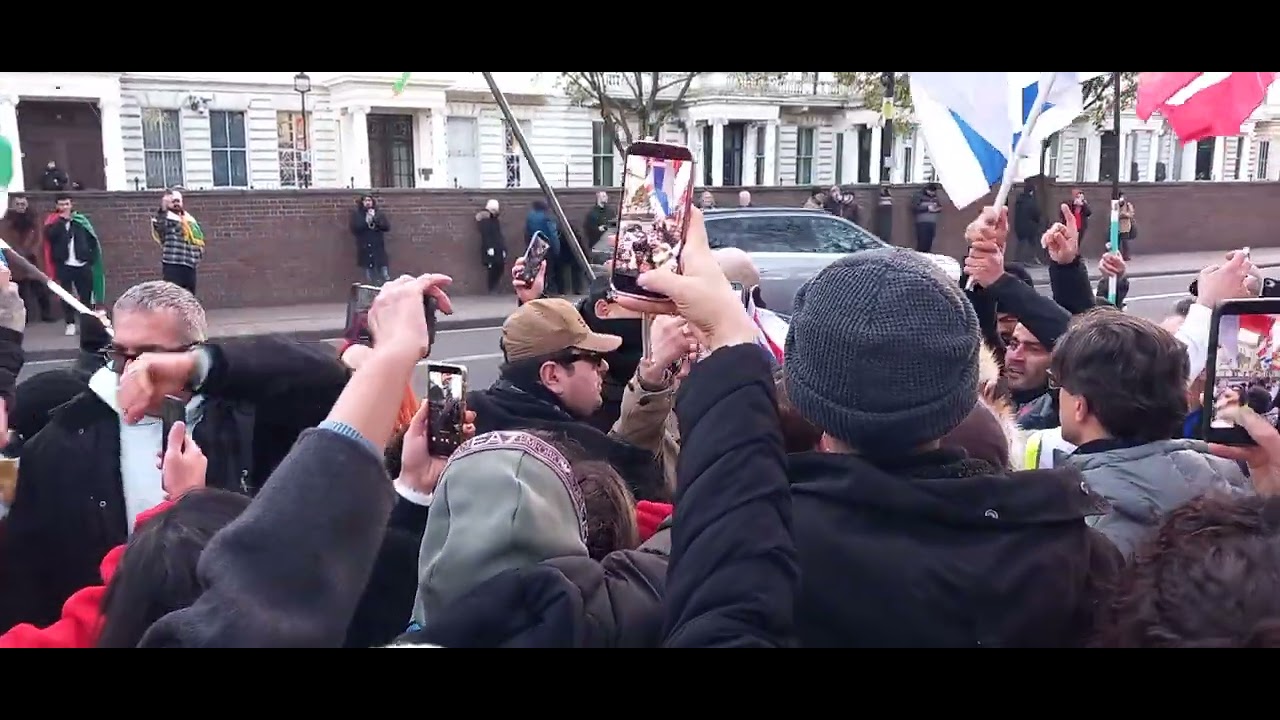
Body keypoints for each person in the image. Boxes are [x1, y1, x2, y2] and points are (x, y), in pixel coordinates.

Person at [42, 195, 101, 336]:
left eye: (67, 204)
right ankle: (70, 323)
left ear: (71, 205)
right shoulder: (53, 223)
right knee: (66, 295)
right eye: (61, 205)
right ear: (57, 206)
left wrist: (90, 257)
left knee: (85, 295)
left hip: (82, 263)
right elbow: (49, 237)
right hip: (64, 264)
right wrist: (62, 222)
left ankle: (86, 323)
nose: (64, 207)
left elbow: (92, 239)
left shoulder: (80, 221)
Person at [150, 190, 204, 294]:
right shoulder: (166, 219)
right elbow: (160, 226)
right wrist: (163, 208)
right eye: (173, 201)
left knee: (189, 298)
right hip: (173, 265)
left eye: (178, 201)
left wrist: (197, 256)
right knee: (173, 297)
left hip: (189, 266)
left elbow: (198, 240)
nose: (176, 204)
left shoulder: (189, 220)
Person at [350, 194, 392, 285]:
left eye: (369, 200)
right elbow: (355, 228)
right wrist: (366, 221)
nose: (368, 203)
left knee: (384, 275)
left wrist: (375, 219)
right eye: (366, 201)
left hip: (378, 249)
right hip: (365, 249)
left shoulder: (378, 213)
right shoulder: (358, 214)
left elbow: (386, 227)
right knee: (370, 277)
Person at [476, 199, 506, 293]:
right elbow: (486, 234)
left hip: (497, 246)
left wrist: (503, 248)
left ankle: (494, 286)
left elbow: (497, 234)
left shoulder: (494, 219)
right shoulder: (486, 220)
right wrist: (489, 247)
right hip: (491, 246)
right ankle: (492, 287)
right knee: (493, 266)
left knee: (499, 266)